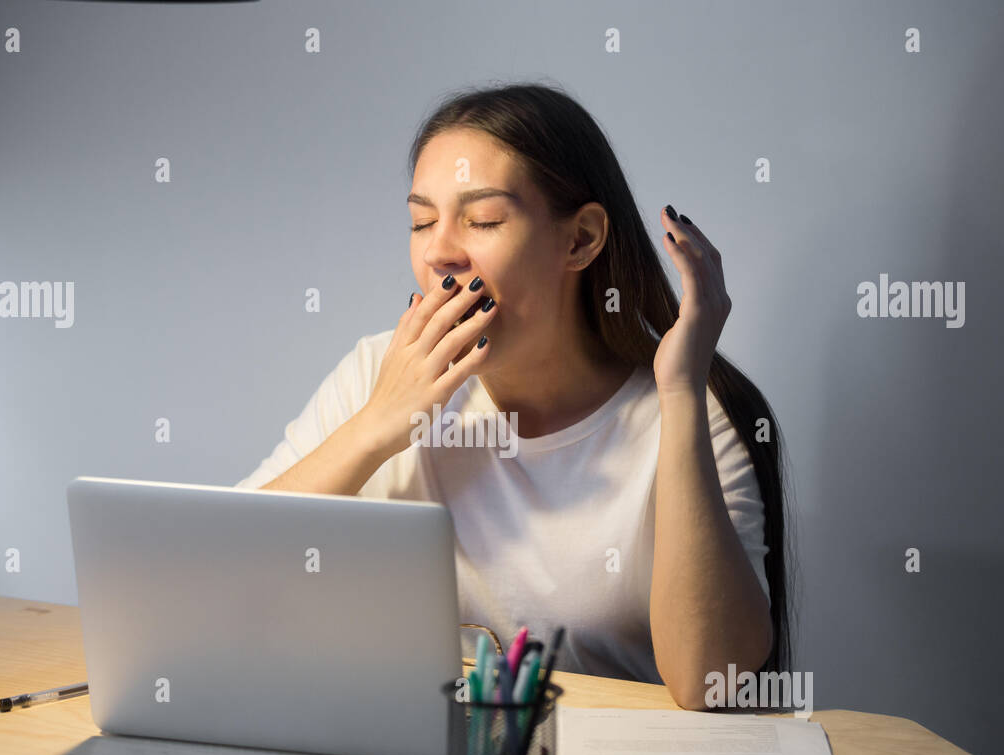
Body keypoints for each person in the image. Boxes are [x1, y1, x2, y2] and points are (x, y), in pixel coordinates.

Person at [237, 82, 796, 709]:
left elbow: (708, 682)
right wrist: (377, 425)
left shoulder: (686, 409)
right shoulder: (378, 371)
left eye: (483, 220)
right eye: (422, 221)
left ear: (581, 239)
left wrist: (683, 393)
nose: (439, 252)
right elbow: (224, 576)